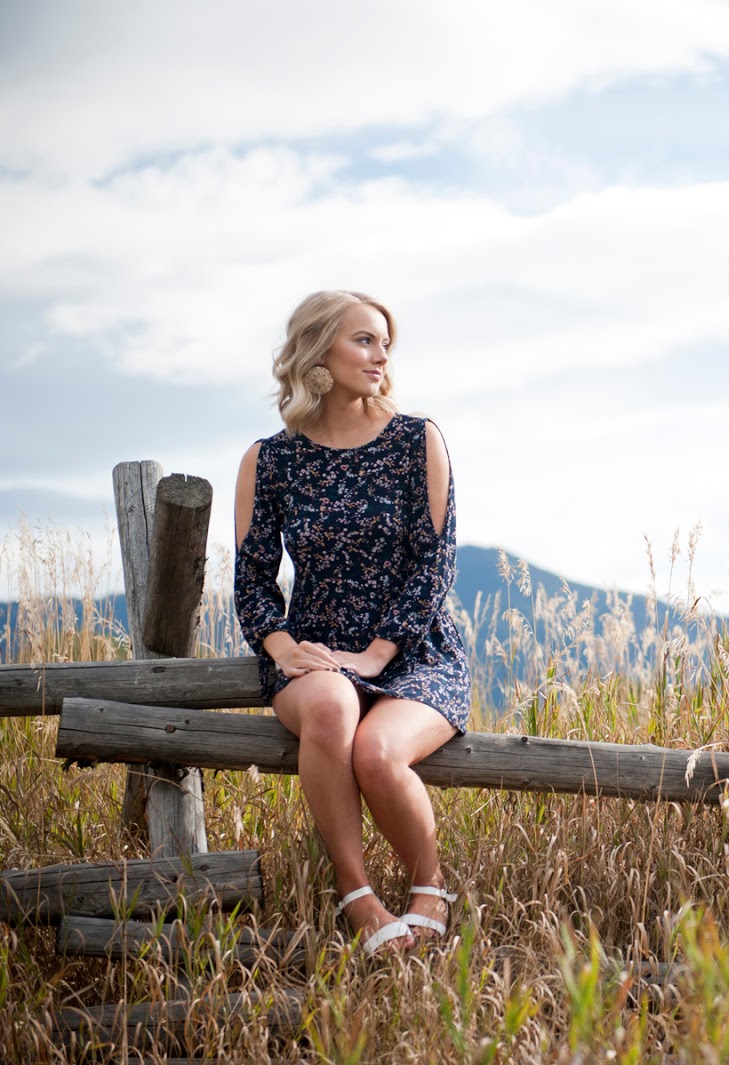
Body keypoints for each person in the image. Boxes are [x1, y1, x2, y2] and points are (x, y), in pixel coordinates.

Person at [233, 290, 472, 955]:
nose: (381, 354)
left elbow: (434, 562)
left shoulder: (415, 440)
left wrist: (376, 651)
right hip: (313, 651)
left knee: (377, 751)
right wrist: (283, 648)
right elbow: (251, 579)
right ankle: (357, 893)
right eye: (364, 339)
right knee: (334, 707)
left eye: (384, 342)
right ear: (319, 350)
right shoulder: (270, 459)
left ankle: (430, 889)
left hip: (415, 650)